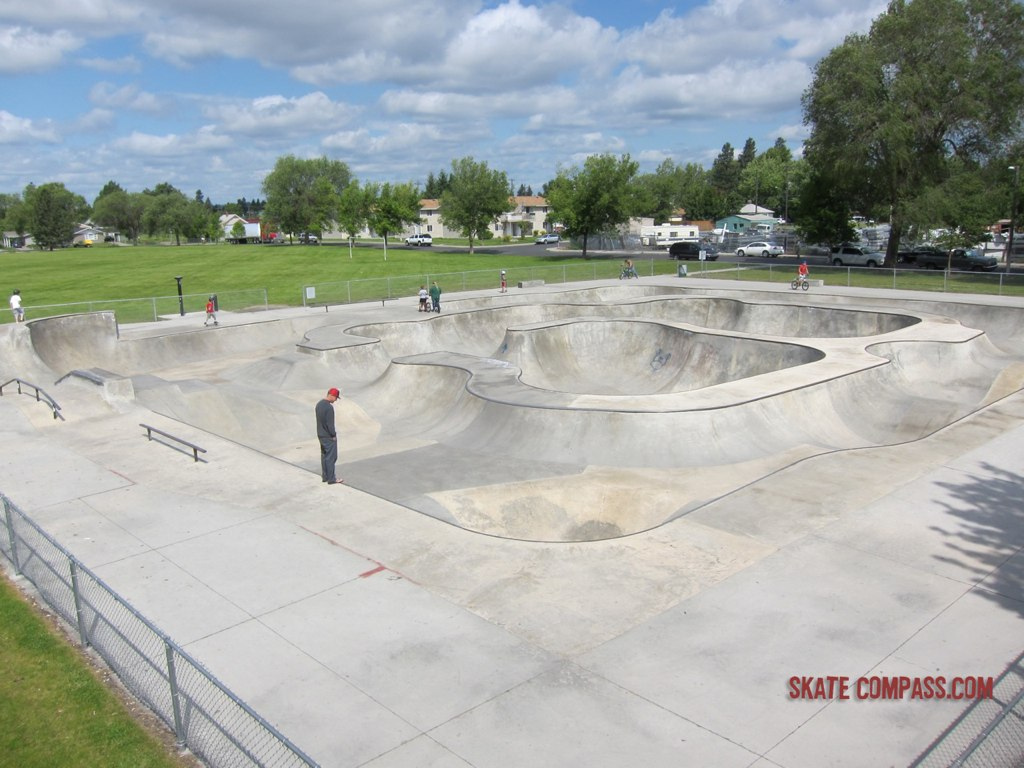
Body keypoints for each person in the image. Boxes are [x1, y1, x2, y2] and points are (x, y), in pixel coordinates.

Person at [315, 387, 343, 485]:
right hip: (328, 436)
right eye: (336, 398)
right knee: (331, 457)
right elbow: (330, 424)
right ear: (331, 395)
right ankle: (331, 479)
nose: (335, 400)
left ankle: (325, 477)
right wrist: (333, 435)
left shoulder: (319, 404)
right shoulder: (329, 408)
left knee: (324, 456)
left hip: (320, 434)